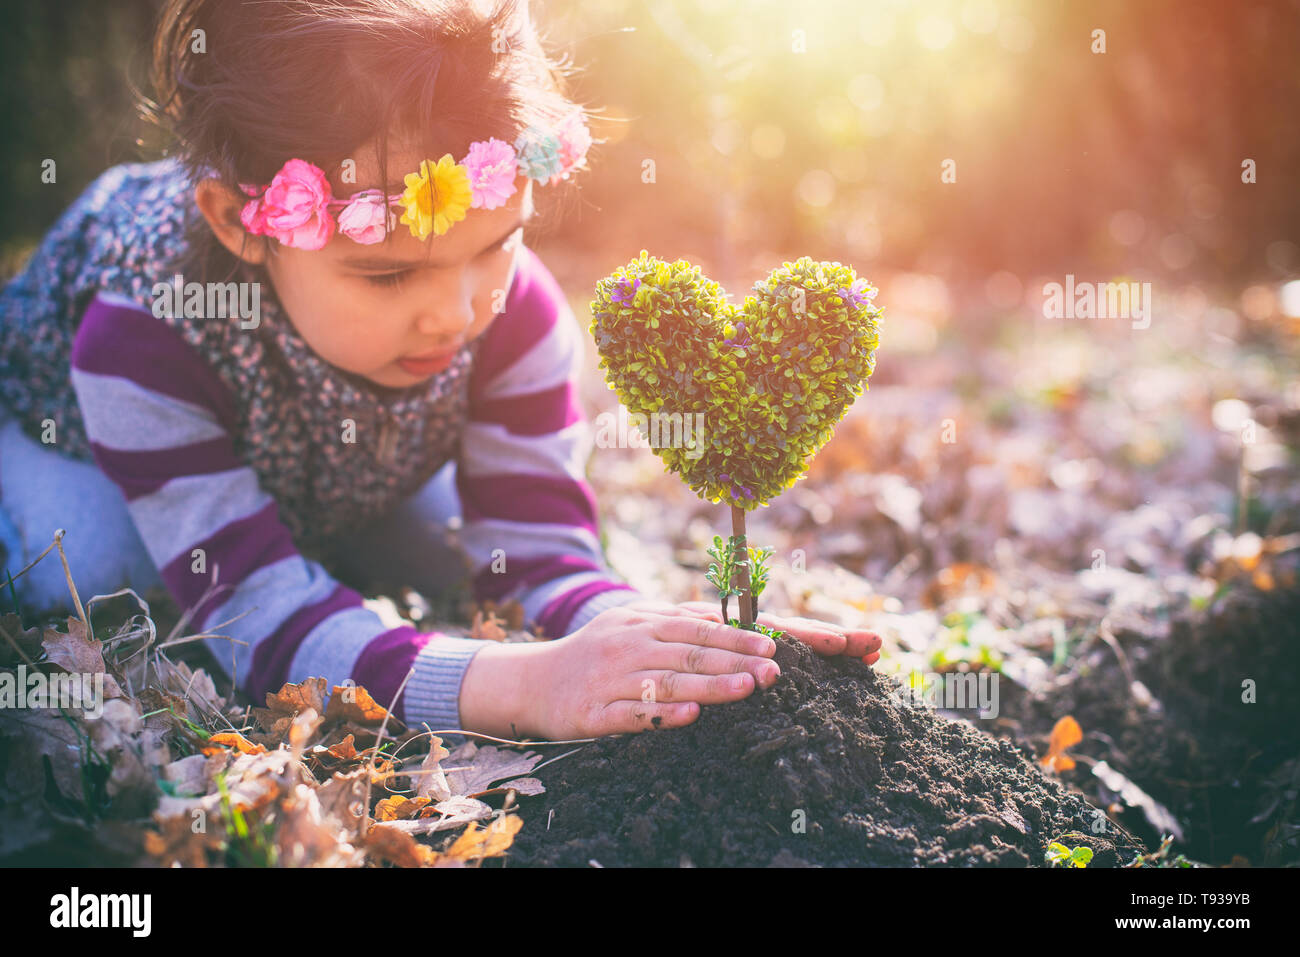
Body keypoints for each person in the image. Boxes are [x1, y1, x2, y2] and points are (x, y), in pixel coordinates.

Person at [0, 0, 880, 741]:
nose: (456, 313)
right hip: (83, 460)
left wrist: (645, 633)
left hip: (335, 472)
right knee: (114, 577)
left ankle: (313, 546)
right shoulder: (145, 328)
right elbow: (252, 614)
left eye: (494, 246)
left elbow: (542, 543)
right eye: (387, 273)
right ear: (242, 223)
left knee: (457, 553)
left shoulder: (513, 307)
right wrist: (527, 684)